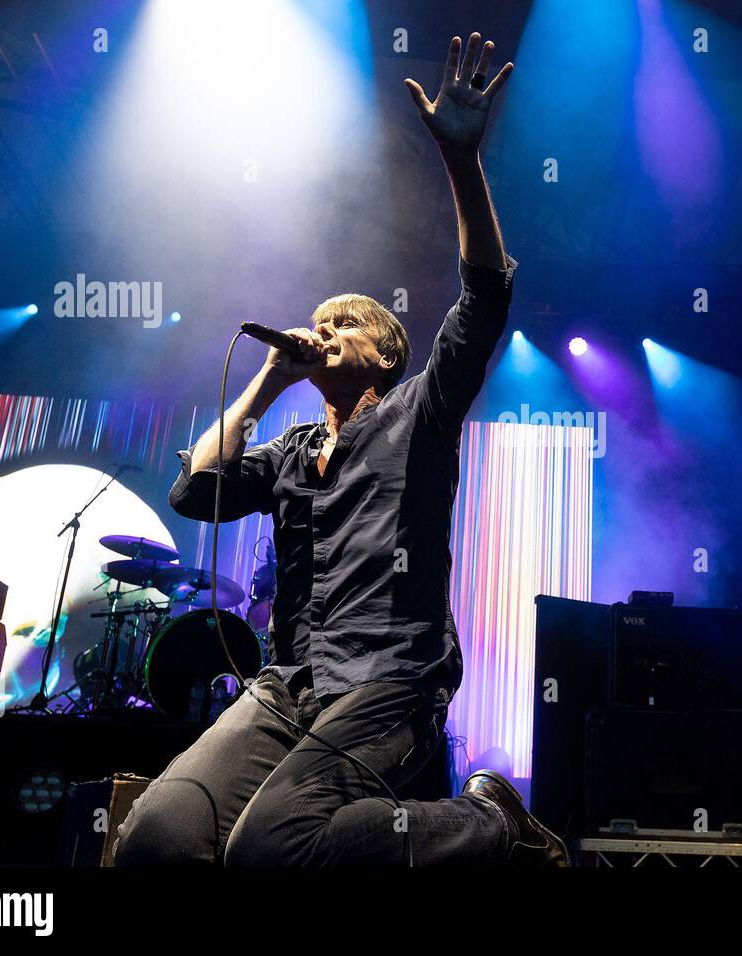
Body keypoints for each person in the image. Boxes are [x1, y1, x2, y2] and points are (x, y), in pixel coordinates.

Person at [115, 33, 566, 867]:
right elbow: (194, 490)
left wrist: (461, 159)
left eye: (342, 324)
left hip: (392, 680)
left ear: (387, 351)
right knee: (154, 839)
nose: (321, 332)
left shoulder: (419, 412)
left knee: (270, 848)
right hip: (290, 684)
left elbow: (487, 291)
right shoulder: (289, 449)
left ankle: (495, 824)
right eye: (316, 323)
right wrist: (266, 381)